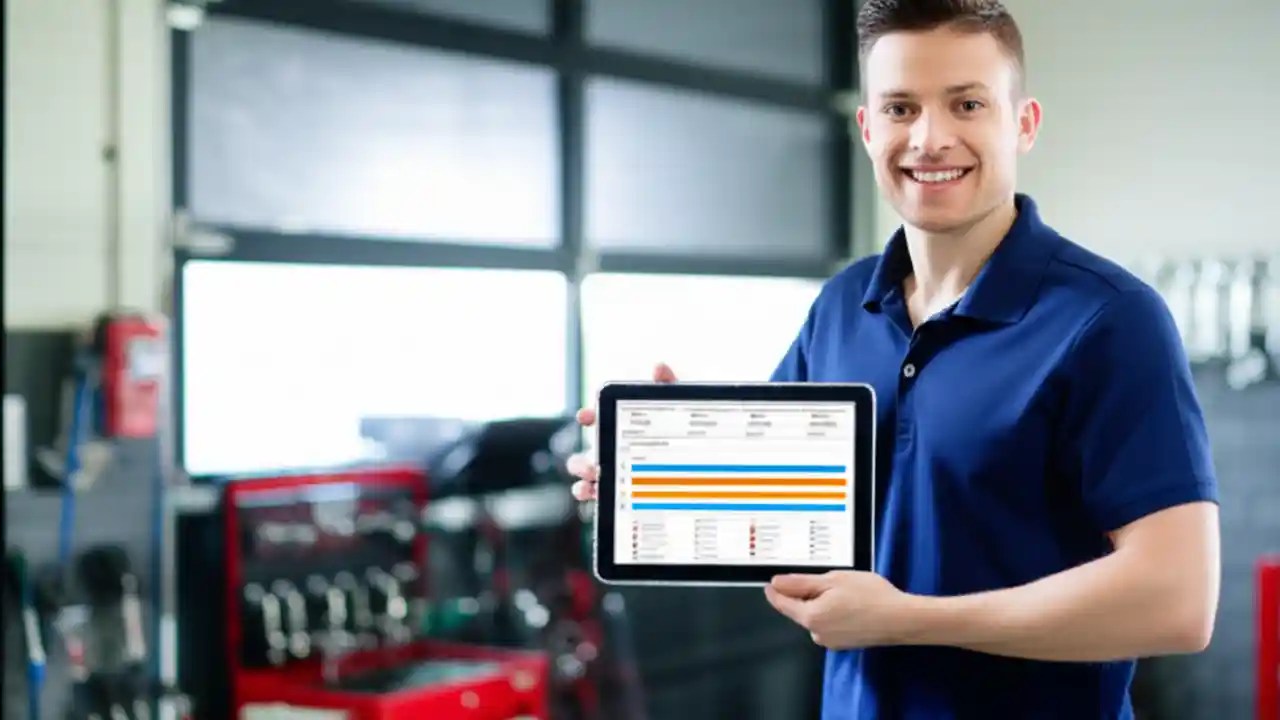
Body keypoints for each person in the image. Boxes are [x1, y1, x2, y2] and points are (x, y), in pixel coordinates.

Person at [567, 0, 1221, 717]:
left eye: (967, 103)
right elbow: (782, 511)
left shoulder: (1109, 320)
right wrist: (659, 468)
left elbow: (1178, 601)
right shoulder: (843, 307)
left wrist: (907, 618)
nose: (931, 138)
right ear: (868, 127)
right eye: (902, 108)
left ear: (1023, 123)